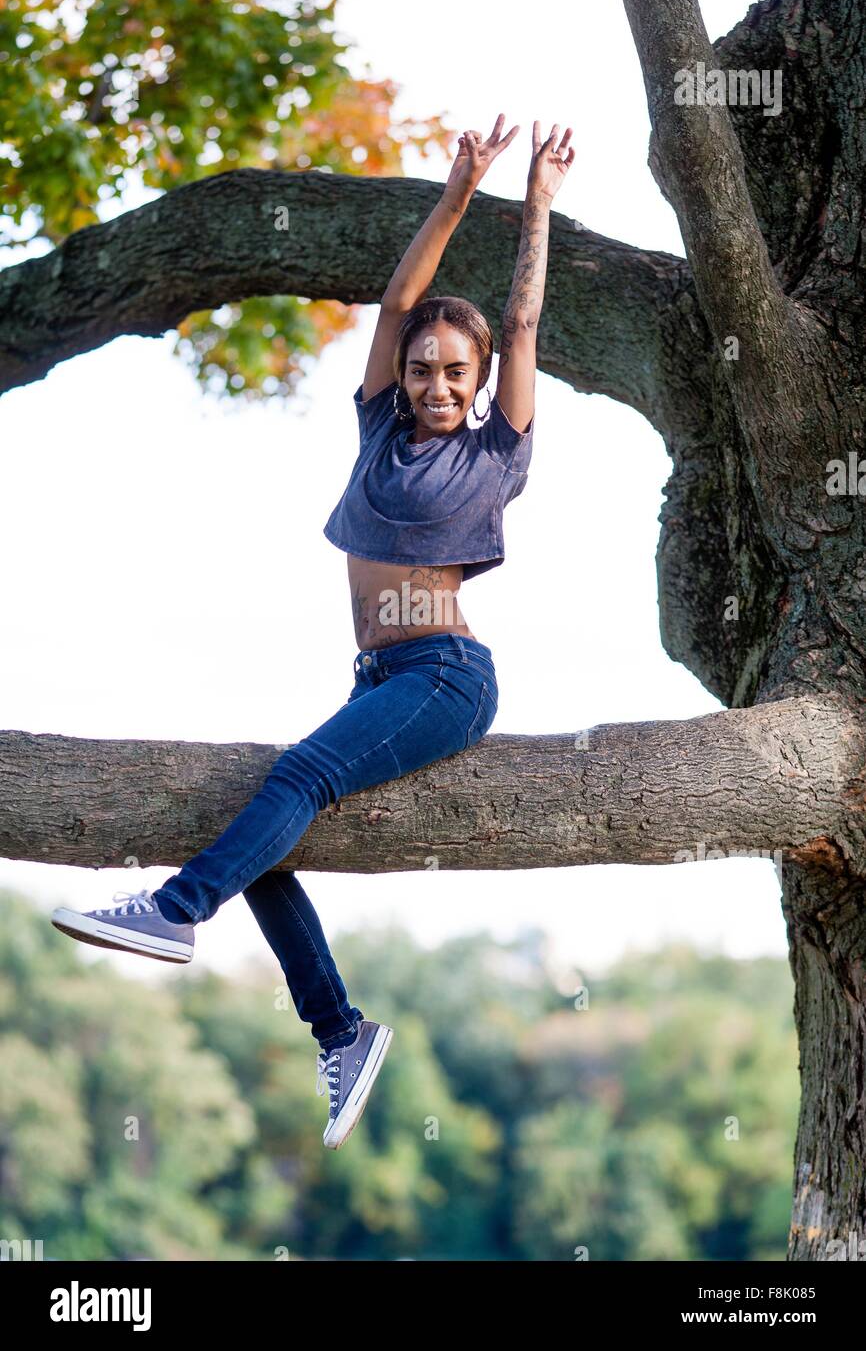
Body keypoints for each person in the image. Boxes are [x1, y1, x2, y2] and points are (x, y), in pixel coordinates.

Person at [51, 114, 575, 1150]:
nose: (433, 384)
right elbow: (392, 298)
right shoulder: (379, 423)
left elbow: (519, 328)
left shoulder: (495, 457)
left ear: (477, 393)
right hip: (377, 676)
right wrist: (458, 188)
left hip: (445, 673)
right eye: (423, 367)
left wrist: (537, 205)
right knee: (271, 834)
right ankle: (340, 1030)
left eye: (451, 376)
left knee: (293, 782)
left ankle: (174, 911)